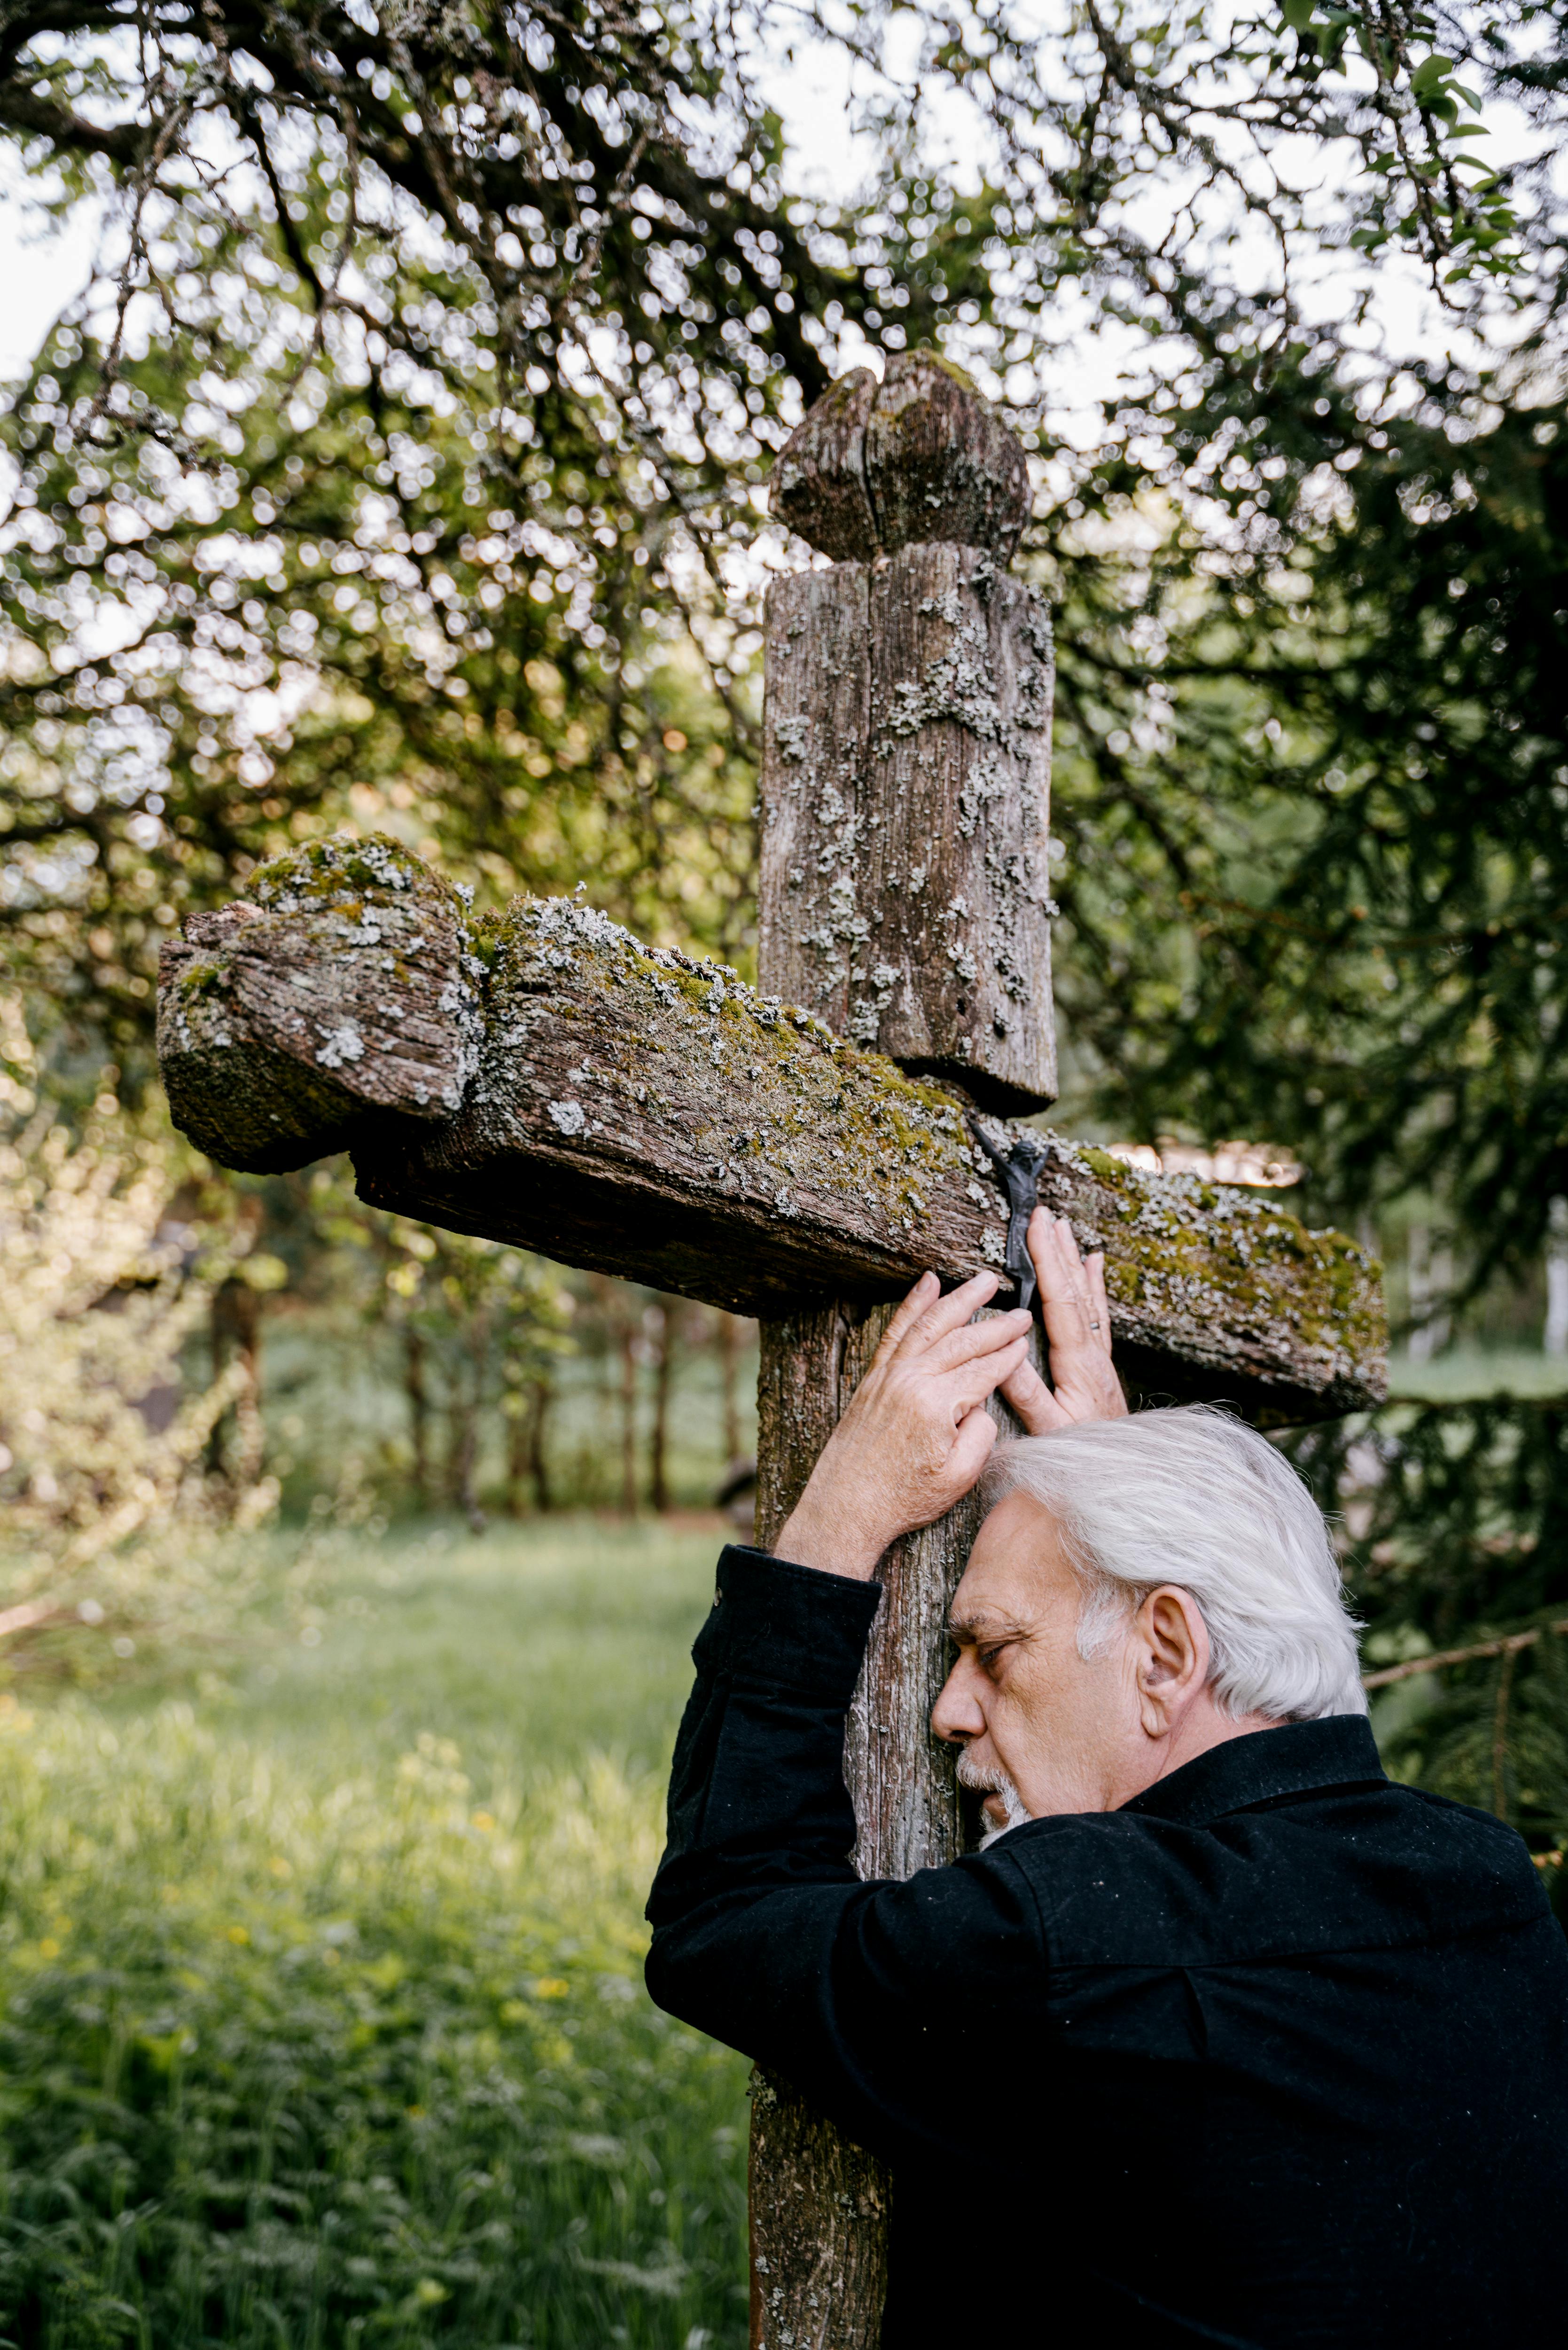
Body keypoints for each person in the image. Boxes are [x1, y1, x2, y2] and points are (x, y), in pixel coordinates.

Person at [645, 1212, 1568, 2347]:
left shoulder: (1061, 1935)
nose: (950, 1711)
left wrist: (840, 1516)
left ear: (1169, 1653)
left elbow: (724, 1917)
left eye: (994, 1648)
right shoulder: (1489, 1888)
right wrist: (1115, 1520)